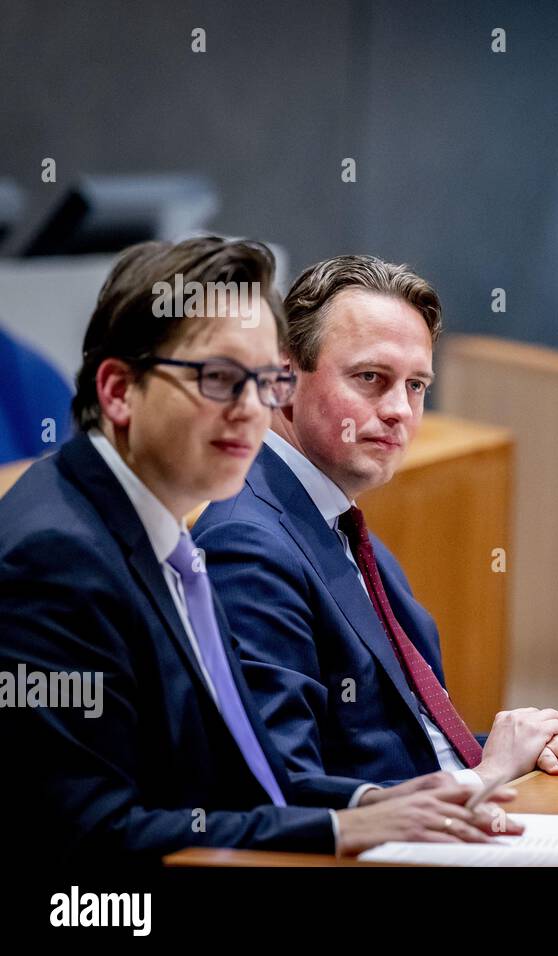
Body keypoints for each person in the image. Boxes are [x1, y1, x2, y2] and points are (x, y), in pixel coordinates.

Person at [0, 237, 518, 863]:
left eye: (263, 381)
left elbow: (243, 775)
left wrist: (365, 806)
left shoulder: (144, 527)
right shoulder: (57, 559)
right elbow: (90, 834)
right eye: (220, 380)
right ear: (117, 391)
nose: (253, 411)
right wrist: (331, 830)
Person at [194, 254, 558, 807]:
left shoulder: (348, 534)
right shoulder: (247, 546)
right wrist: (486, 775)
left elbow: (409, 750)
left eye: (416, 386)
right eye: (371, 378)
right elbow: (280, 791)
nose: (399, 411)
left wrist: (523, 751)